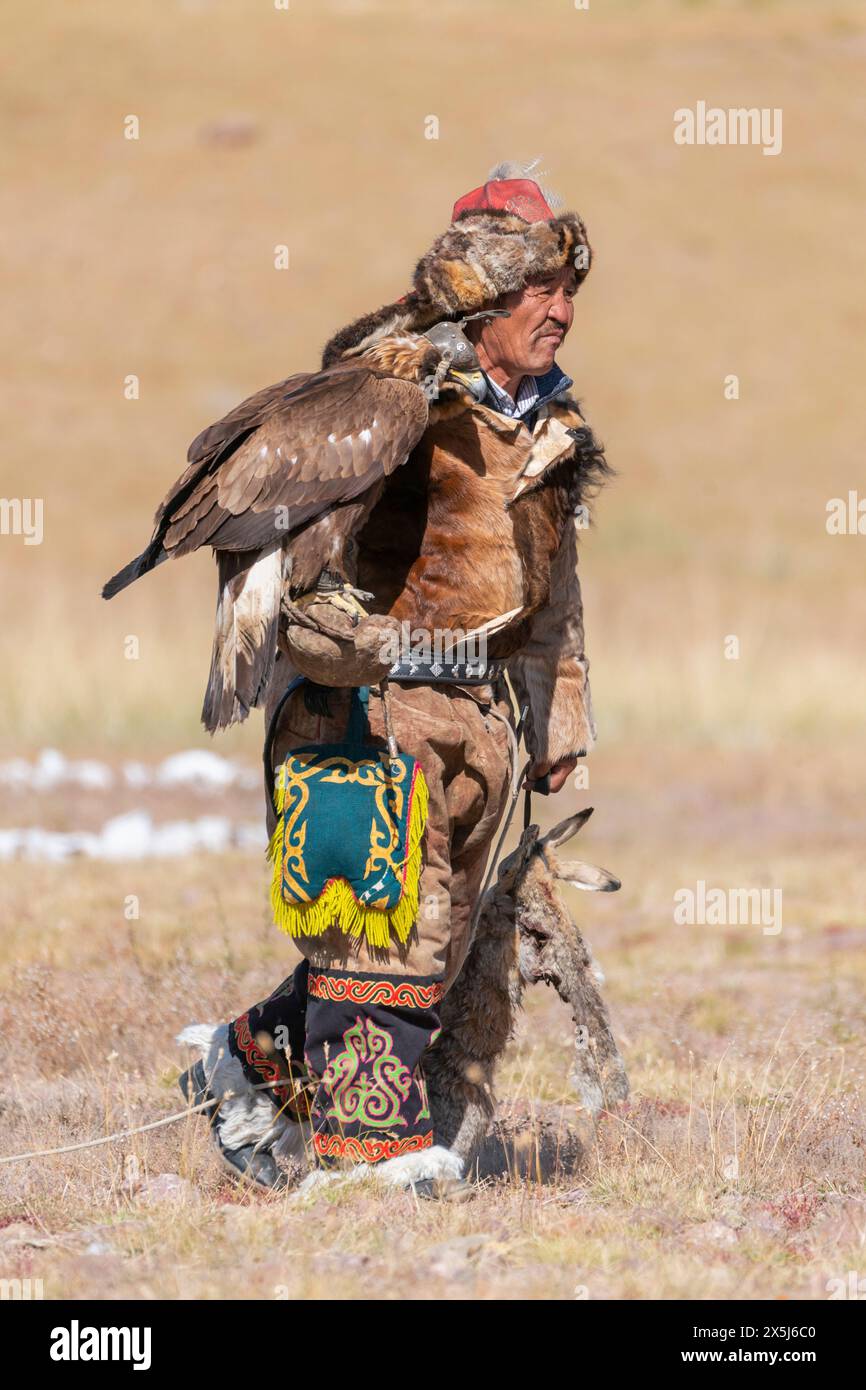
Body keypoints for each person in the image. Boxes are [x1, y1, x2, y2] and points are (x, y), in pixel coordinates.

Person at [178, 162, 610, 1196]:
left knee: (437, 949)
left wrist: (556, 724)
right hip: (368, 707)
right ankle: (369, 1160)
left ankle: (243, 1061)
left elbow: (554, 593)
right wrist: (343, 662)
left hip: (480, 720)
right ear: (482, 294)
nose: (557, 311)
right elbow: (295, 567)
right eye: (537, 290)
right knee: (382, 931)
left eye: (567, 293)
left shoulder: (545, 423)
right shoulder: (395, 389)